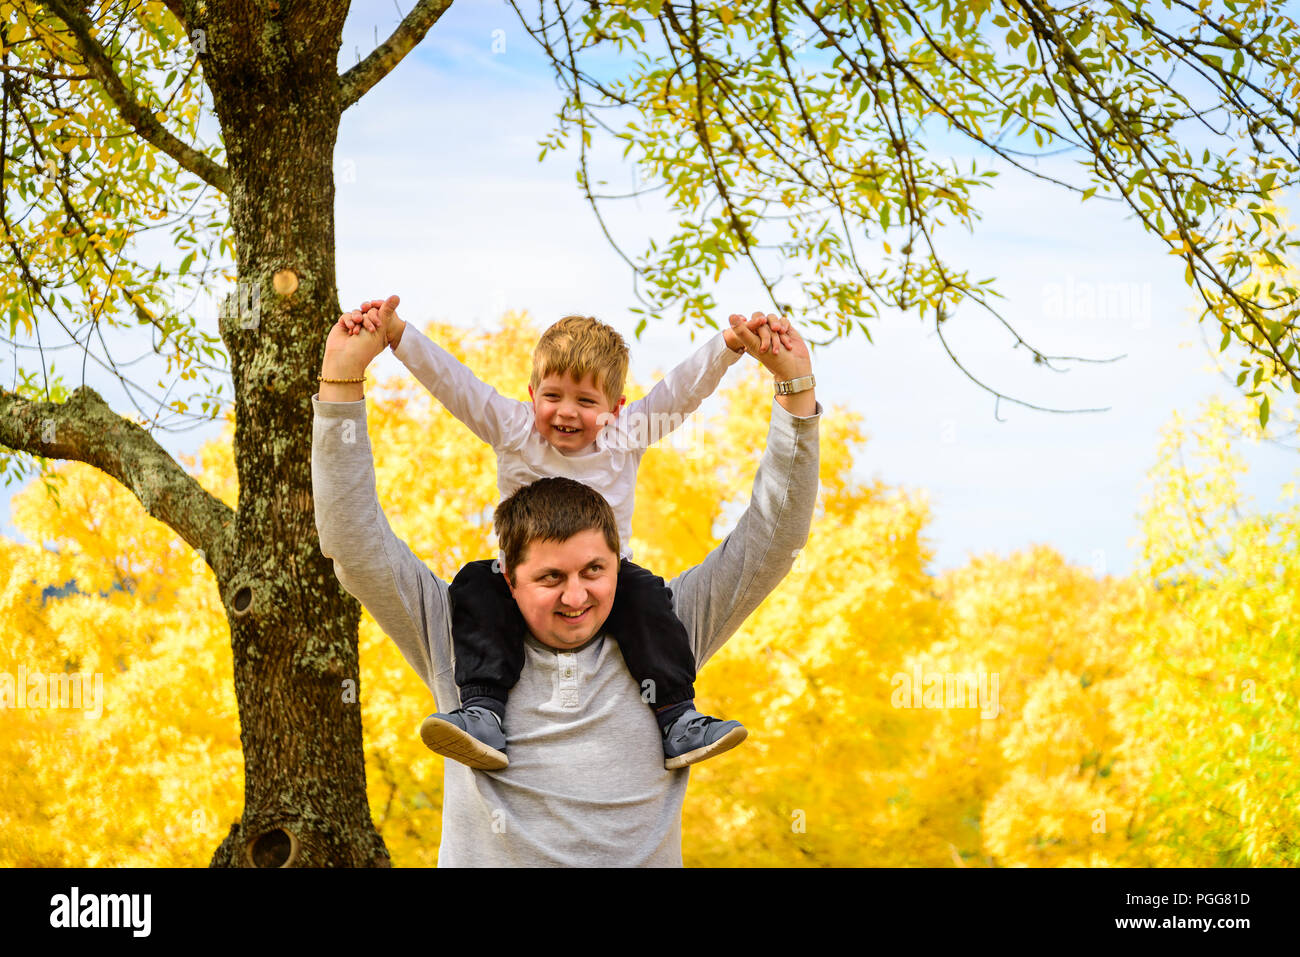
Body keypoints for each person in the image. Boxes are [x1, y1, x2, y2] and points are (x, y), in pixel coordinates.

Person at [312, 309, 820, 866]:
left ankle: (679, 717)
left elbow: (773, 537)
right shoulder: (453, 631)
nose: (576, 598)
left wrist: (792, 388)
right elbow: (354, 538)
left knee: (643, 597)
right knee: (471, 587)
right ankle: (483, 713)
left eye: (594, 573)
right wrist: (344, 377)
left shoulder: (667, 626)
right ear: (511, 573)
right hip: (482, 630)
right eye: (550, 578)